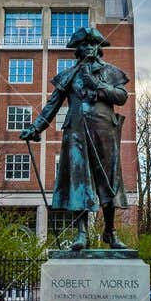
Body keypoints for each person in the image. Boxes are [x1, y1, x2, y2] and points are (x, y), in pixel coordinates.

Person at [19, 25, 130, 253]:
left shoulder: (111, 72)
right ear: (77, 50)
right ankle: (81, 233)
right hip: (76, 133)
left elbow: (121, 97)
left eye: (92, 44)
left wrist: (97, 85)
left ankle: (110, 231)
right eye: (84, 45)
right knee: (78, 182)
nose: (89, 48)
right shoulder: (69, 76)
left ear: (99, 48)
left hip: (104, 131)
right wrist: (36, 127)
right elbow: (52, 105)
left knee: (108, 181)